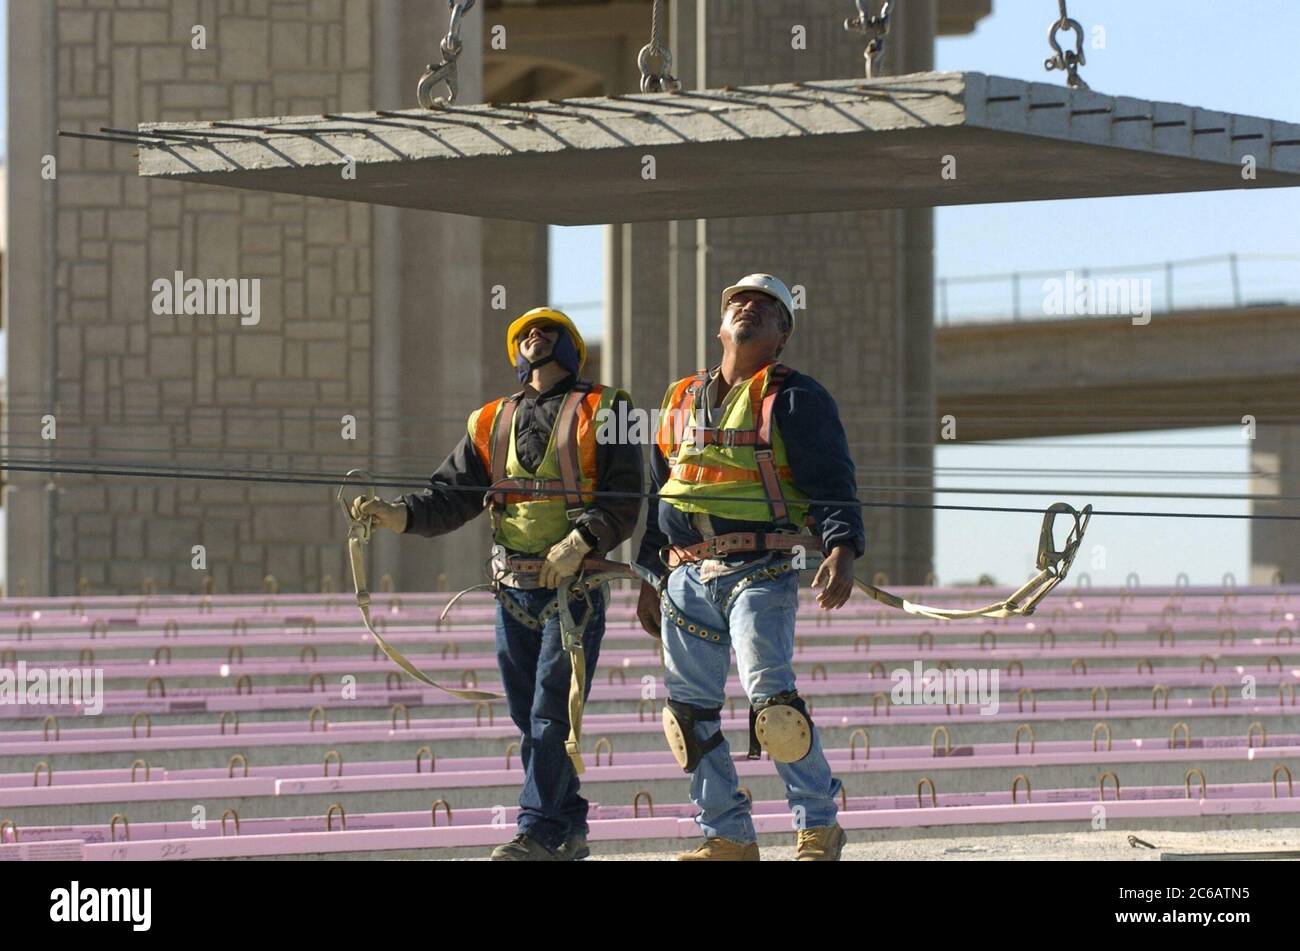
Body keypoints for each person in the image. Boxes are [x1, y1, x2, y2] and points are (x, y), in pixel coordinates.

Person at [354, 307, 642, 861]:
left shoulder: (608, 407)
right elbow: (450, 496)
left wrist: (583, 539)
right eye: (524, 334)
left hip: (573, 590)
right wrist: (399, 516)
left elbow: (627, 495)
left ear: (569, 346)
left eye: (546, 329)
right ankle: (570, 824)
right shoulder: (488, 420)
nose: (533, 336)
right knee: (527, 715)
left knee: (548, 712)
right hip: (513, 590)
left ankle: (536, 830)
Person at [635, 274, 865, 861]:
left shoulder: (795, 397)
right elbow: (660, 489)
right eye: (738, 302)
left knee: (774, 707)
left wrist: (841, 547)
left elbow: (832, 482)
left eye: (765, 307)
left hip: (758, 569)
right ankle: (727, 836)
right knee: (688, 714)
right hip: (684, 573)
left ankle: (818, 825)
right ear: (720, 327)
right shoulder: (680, 397)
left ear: (782, 334)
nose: (748, 308)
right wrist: (648, 572)